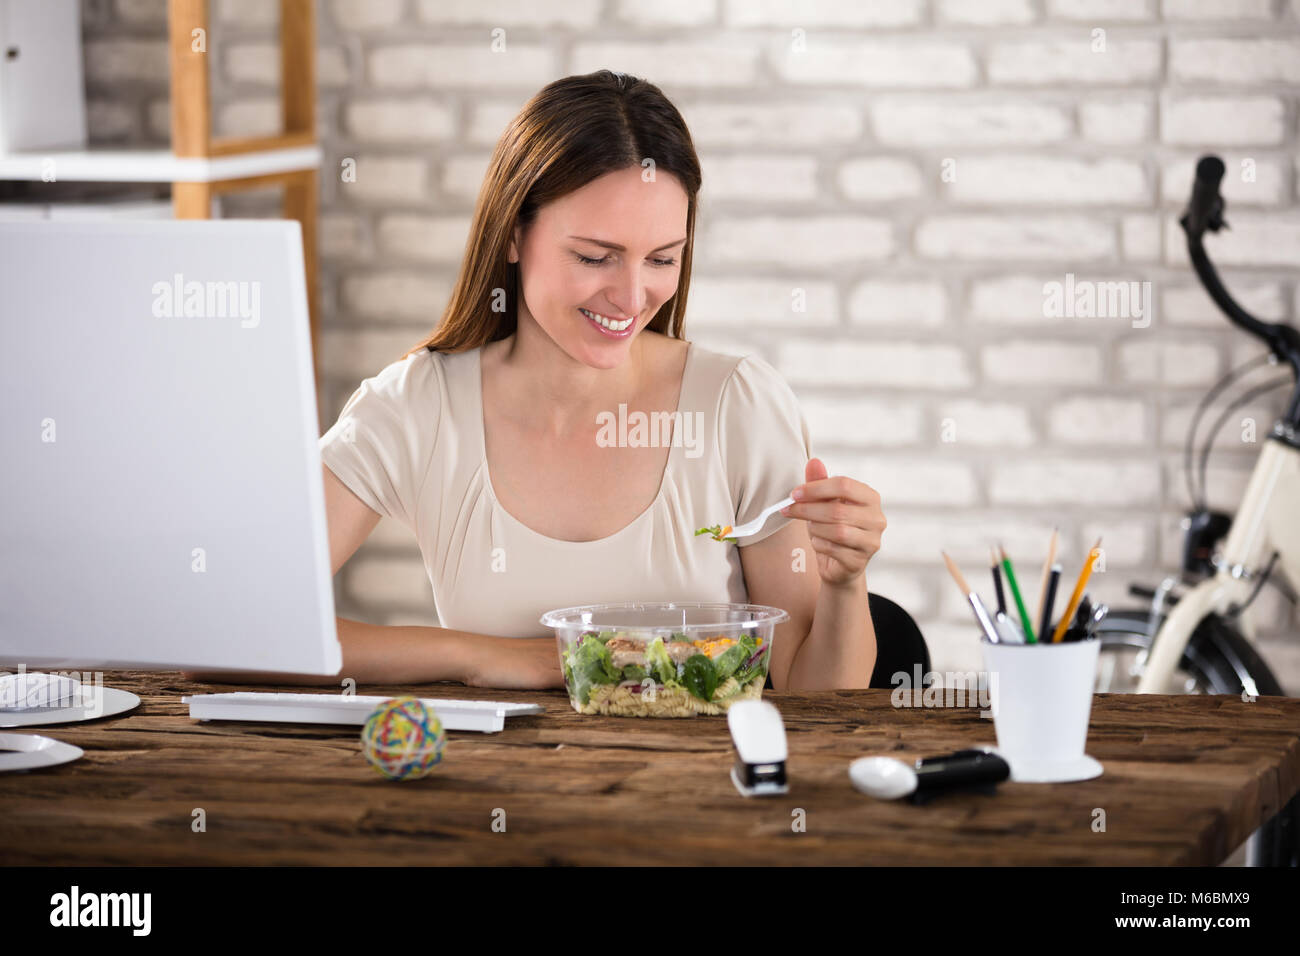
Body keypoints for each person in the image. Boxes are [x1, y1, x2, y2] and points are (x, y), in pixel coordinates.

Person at [186, 70, 885, 691]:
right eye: (595, 256)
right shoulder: (419, 407)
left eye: (662, 259)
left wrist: (846, 584)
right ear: (514, 235)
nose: (632, 296)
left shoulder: (738, 407)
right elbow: (223, 628)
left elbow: (811, 690)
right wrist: (491, 657)